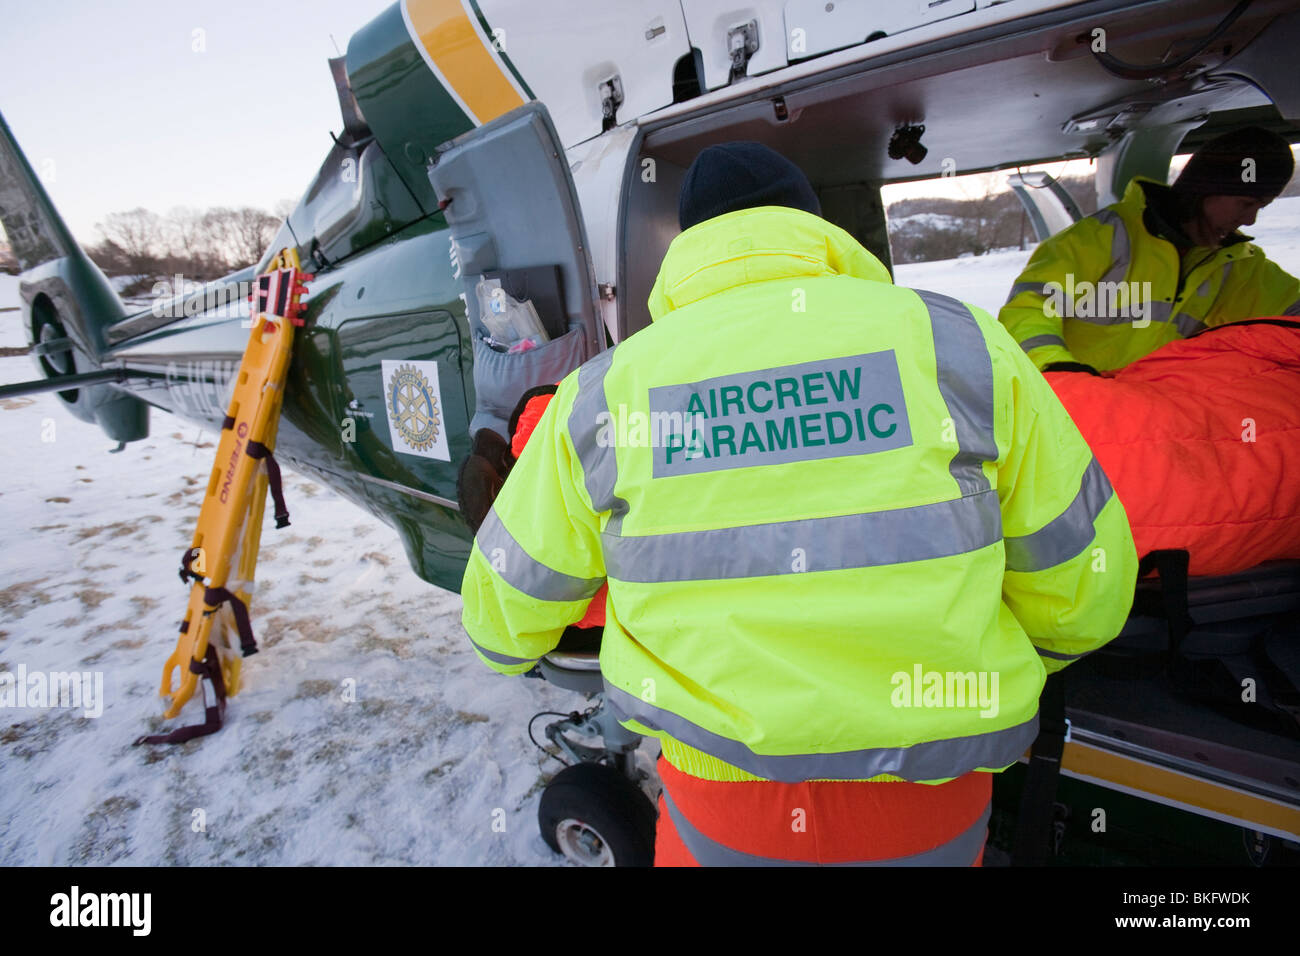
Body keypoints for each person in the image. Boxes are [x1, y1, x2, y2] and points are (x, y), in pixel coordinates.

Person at [460, 141, 1138, 866]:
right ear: (815, 230)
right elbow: (1085, 593)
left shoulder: (605, 393)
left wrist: (526, 642)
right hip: (933, 808)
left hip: (727, 812)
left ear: (690, 246)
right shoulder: (965, 346)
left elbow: (500, 615)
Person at [1001, 125, 1300, 374]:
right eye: (1246, 204)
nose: (1249, 220)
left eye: (1261, 207)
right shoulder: (1102, 237)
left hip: (1156, 420)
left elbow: (1290, 309)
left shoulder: (1233, 264)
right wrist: (1055, 369)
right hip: (1075, 410)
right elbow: (1029, 310)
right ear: (1207, 187)